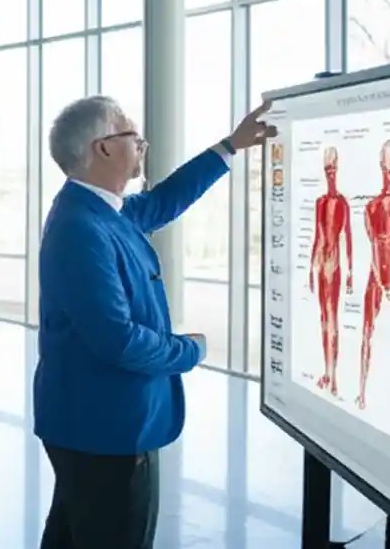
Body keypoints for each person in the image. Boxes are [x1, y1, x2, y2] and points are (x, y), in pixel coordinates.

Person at [34, 95, 271, 549]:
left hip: (89, 423)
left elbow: (163, 202)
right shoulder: (81, 227)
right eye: (131, 134)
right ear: (103, 148)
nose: (142, 143)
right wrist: (191, 349)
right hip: (107, 429)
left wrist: (229, 147)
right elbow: (117, 340)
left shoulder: (103, 210)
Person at [359, 140, 390, 409]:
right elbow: (374, 243)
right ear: (381, 165)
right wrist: (379, 277)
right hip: (377, 277)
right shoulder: (372, 207)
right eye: (389, 162)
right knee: (366, 332)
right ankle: (362, 393)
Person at [310, 146, 352, 396]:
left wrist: (349, 272)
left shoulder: (342, 202)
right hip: (321, 261)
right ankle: (327, 372)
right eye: (328, 169)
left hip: (334, 263)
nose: (331, 173)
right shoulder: (320, 202)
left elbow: (347, 236)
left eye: (334, 168)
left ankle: (334, 377)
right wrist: (309, 267)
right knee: (324, 319)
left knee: (332, 319)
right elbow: (317, 235)